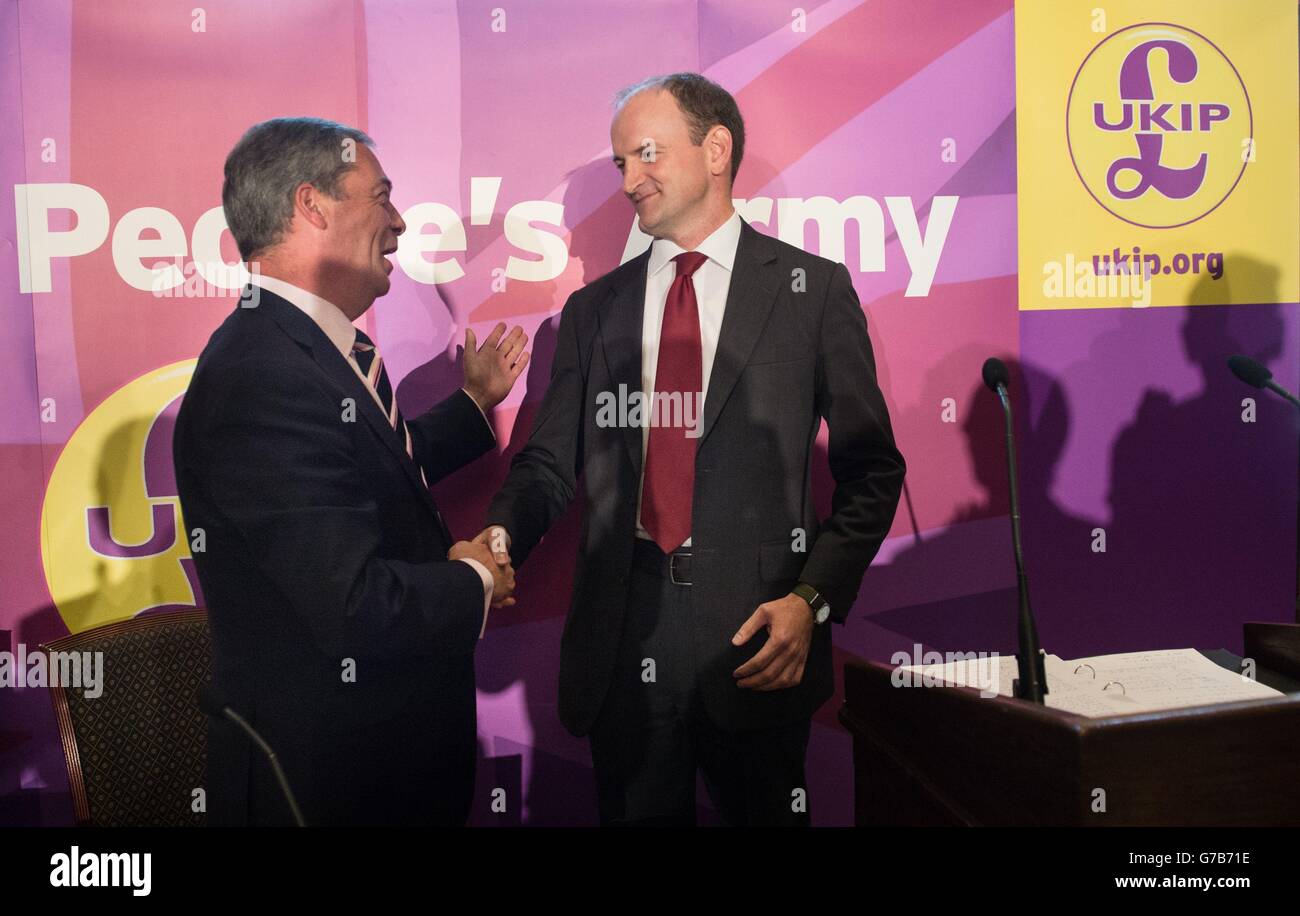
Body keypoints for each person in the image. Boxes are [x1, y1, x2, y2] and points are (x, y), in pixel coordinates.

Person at [478, 75, 905, 825]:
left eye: (645, 154)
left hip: (760, 637)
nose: (628, 181)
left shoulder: (810, 291)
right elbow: (548, 464)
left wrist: (811, 600)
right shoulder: (592, 311)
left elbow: (872, 472)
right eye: (620, 163)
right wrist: (501, 534)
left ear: (716, 150)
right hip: (624, 637)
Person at [174, 117, 529, 825]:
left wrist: (471, 406)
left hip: (376, 764)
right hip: (331, 784)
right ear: (312, 205)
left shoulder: (298, 349)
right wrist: (477, 579)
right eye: (382, 197)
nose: (399, 223)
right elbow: (354, 607)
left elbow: (362, 467)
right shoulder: (264, 377)